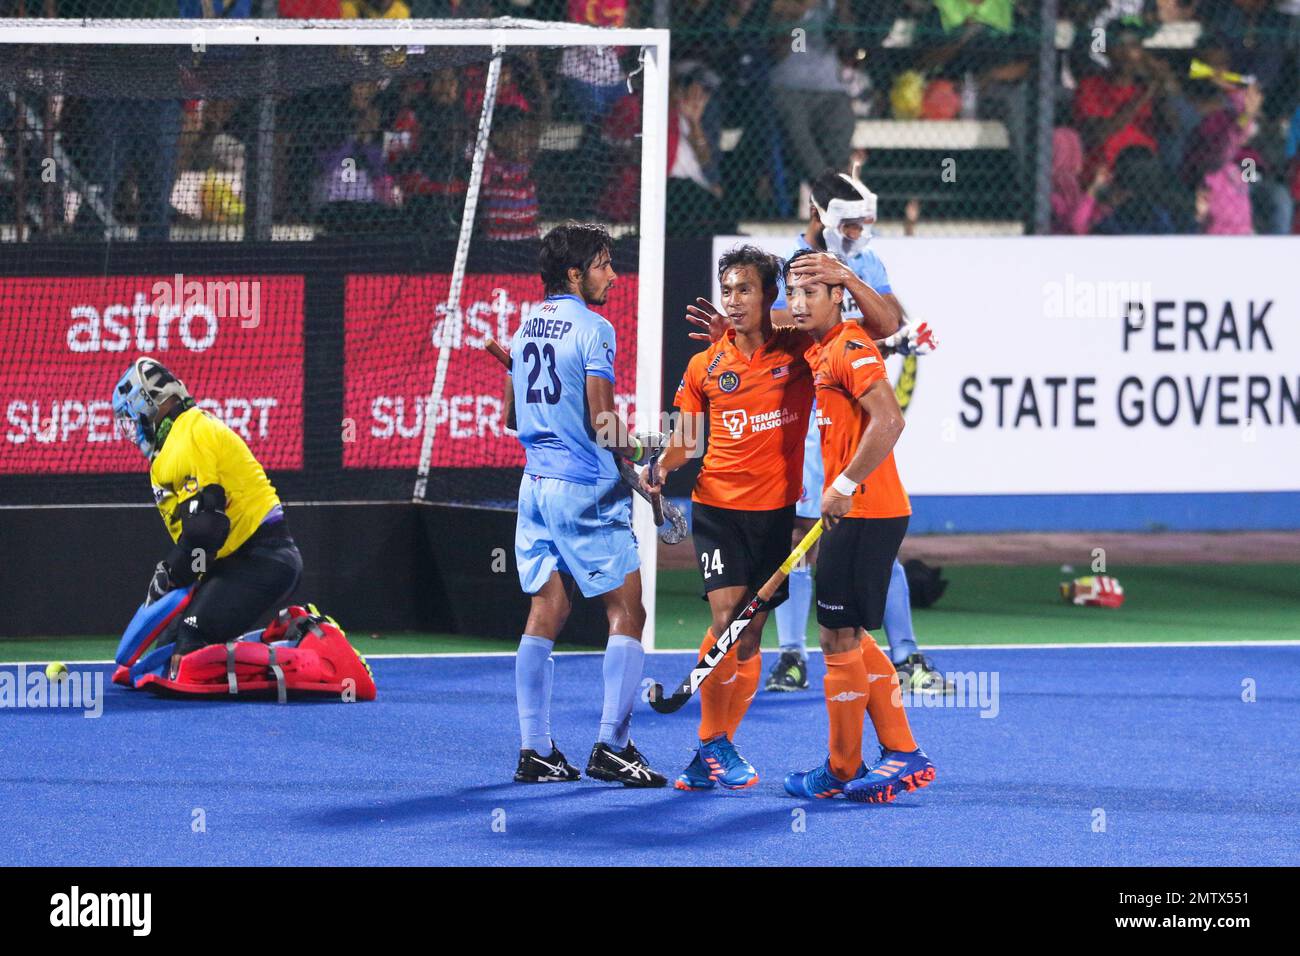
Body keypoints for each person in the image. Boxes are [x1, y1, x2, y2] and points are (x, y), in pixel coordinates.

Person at [766, 169, 951, 695]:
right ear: (818, 214)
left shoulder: (863, 259)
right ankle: (792, 657)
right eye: (846, 224)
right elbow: (778, 324)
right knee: (799, 536)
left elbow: (890, 320)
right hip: (804, 419)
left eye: (861, 224)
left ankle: (907, 657)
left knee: (873, 537)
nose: (855, 233)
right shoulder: (788, 261)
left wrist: (846, 278)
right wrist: (815, 298)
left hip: (853, 418)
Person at [643, 246, 814, 791]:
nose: (734, 301)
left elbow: (858, 329)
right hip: (717, 508)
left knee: (750, 636)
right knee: (727, 622)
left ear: (769, 295)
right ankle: (715, 741)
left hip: (775, 513)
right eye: (727, 291)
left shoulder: (800, 350)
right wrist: (661, 466)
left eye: (745, 290)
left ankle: (709, 753)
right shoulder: (705, 365)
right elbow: (686, 440)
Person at [507, 223, 667, 788]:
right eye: (603, 265)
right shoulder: (595, 329)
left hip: (534, 487)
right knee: (628, 612)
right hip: (586, 491)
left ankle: (535, 751)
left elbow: (513, 417)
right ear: (575, 274)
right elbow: (603, 423)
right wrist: (644, 453)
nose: (613, 276)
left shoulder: (525, 326)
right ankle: (612, 746)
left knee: (547, 608)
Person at [780, 249, 936, 803]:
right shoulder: (820, 345)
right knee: (844, 634)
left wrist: (844, 484)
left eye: (810, 293)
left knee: (836, 637)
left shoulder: (848, 345)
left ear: (837, 298)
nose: (798, 303)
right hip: (857, 509)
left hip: (867, 509)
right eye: (792, 293)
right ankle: (896, 754)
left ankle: (846, 766)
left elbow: (890, 420)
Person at [111, 358, 303, 678]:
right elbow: (202, 544)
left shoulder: (189, 432)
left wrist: (171, 572)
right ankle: (280, 636)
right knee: (165, 654)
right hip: (231, 563)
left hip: (263, 557)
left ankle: (298, 646)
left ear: (150, 404)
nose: (131, 430)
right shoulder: (173, 445)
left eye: (130, 419)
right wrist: (179, 574)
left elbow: (206, 528)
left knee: (191, 643)